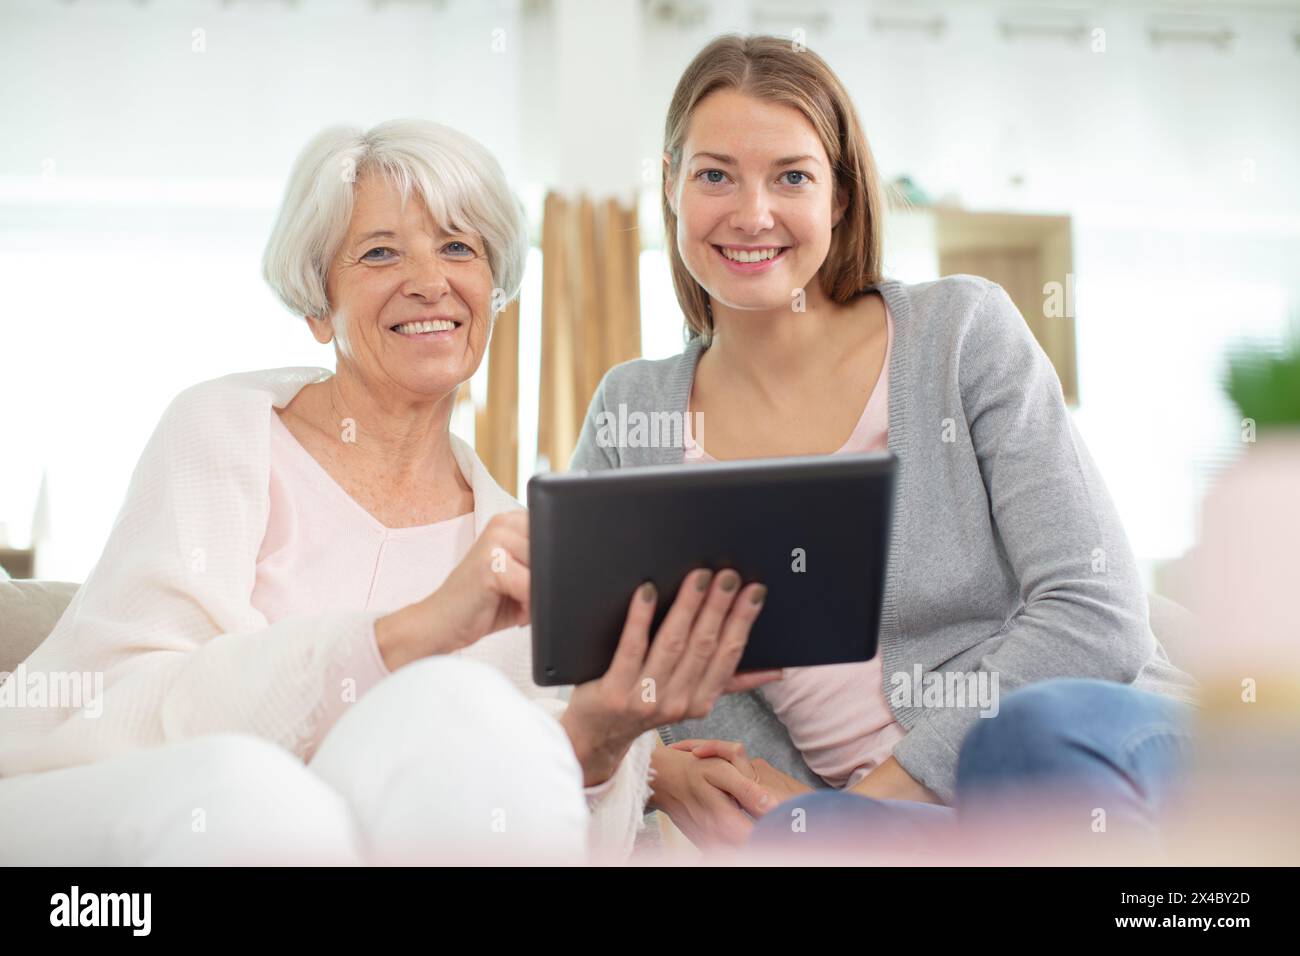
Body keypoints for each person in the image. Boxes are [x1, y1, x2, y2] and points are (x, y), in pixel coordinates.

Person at [0, 118, 777, 866]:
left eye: (457, 247)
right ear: (316, 304)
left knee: (463, 718)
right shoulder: (224, 432)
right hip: (97, 808)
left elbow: (532, 820)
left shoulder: (514, 543)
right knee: (256, 797)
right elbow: (128, 711)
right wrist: (411, 633)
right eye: (379, 253)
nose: (429, 281)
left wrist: (606, 741)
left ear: (494, 291)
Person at [570, 35, 1201, 857]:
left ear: (838, 196)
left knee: (1036, 738)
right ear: (671, 184)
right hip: (872, 830)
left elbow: (1097, 612)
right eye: (715, 173)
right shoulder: (631, 412)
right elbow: (600, 677)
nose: (751, 212)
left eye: (792, 175)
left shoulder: (959, 333)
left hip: (1073, 758)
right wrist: (657, 769)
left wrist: (865, 810)